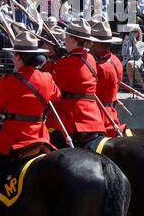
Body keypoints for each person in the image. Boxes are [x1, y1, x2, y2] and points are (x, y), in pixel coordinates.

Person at [0, 29, 62, 181]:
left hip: (15, 137)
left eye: (14, 54)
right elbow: (57, 96)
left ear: (18, 57)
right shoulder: (47, 77)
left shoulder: (8, 81)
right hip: (40, 136)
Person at [46, 16, 108, 147]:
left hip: (72, 118)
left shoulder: (66, 62)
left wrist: (53, 64)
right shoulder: (90, 57)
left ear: (74, 40)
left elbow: (54, 92)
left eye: (67, 37)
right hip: (93, 117)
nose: (64, 39)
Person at [87, 19, 128, 136]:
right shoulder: (116, 60)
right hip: (111, 112)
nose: (88, 47)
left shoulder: (98, 67)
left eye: (90, 44)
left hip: (98, 116)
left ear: (97, 45)